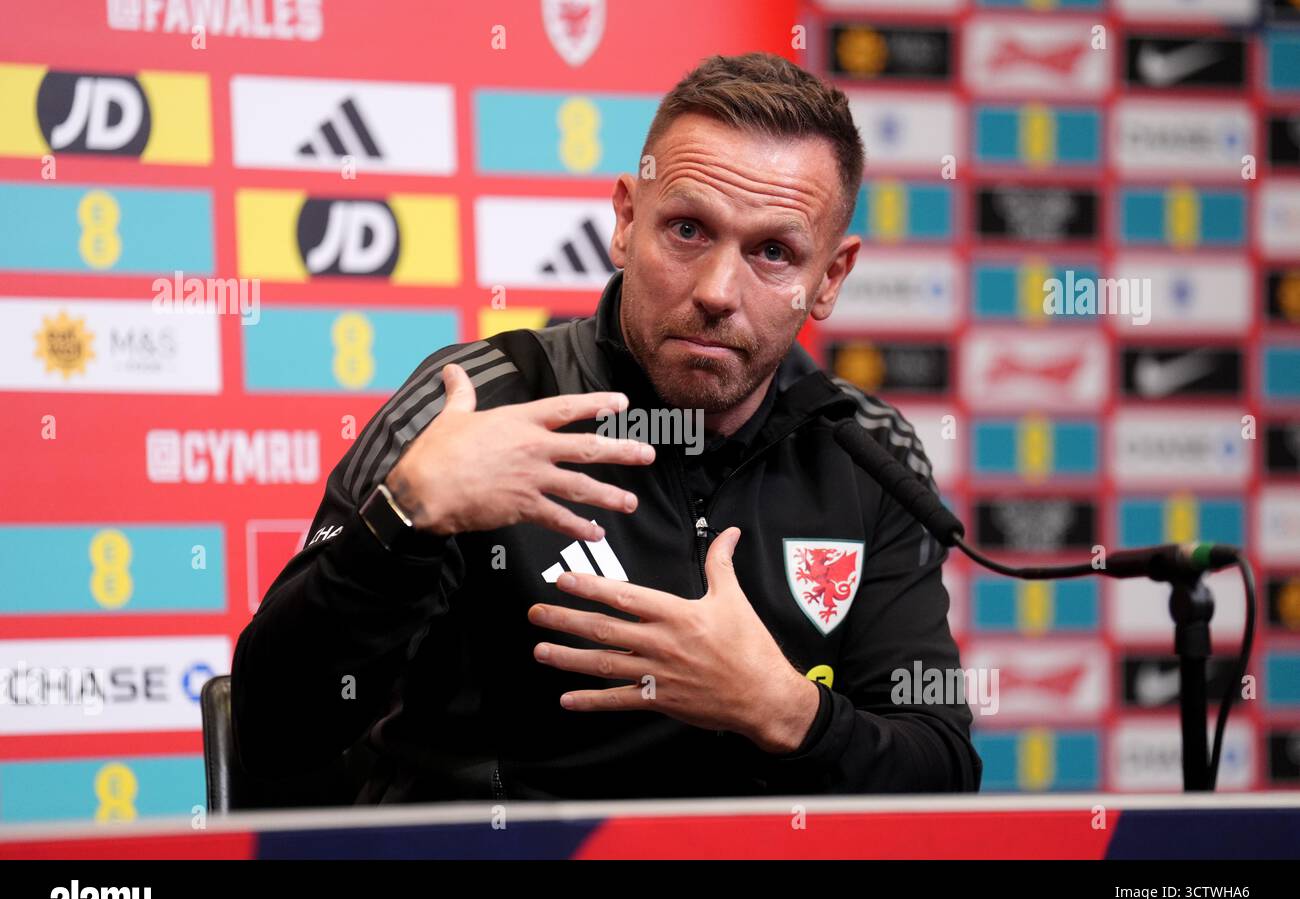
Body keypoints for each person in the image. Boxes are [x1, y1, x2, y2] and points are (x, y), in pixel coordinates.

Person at [232, 51, 982, 802]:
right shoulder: (476, 405)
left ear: (829, 279)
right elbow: (272, 731)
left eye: (774, 253)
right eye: (688, 230)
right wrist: (403, 522)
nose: (719, 292)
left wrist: (781, 710)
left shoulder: (867, 451)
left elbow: (939, 773)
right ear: (625, 221)